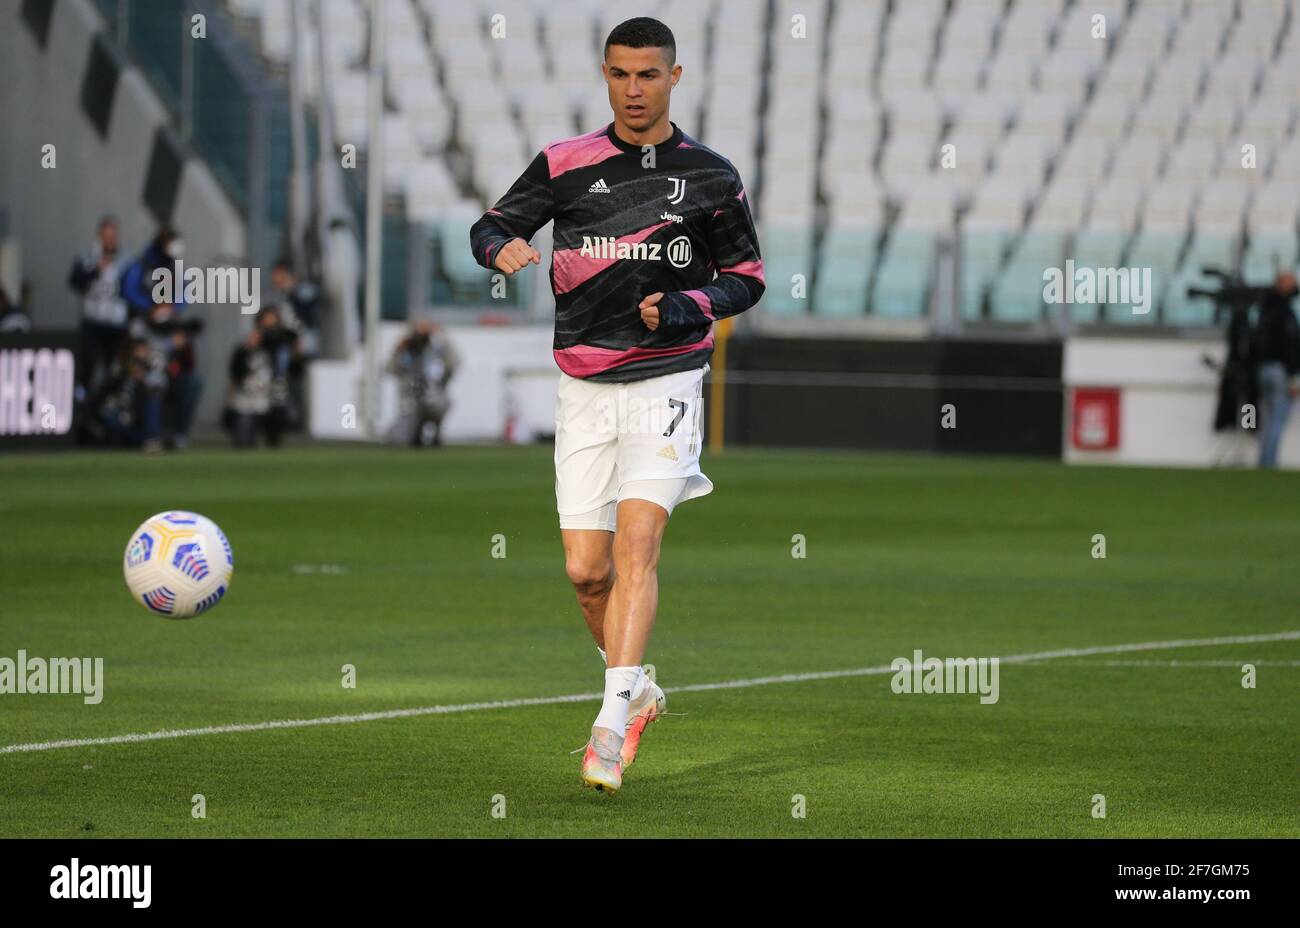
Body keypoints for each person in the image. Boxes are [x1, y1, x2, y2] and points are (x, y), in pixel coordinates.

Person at [469, 17, 765, 793]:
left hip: (668, 381)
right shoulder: (565, 163)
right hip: (585, 389)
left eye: (648, 75)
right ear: (606, 76)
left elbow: (747, 277)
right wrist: (499, 246)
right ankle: (638, 691)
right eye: (620, 74)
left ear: (675, 77)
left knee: (637, 549)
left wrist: (689, 305)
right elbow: (491, 223)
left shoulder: (711, 175)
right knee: (585, 572)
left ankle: (607, 726)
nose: (634, 90)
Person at [121, 227, 202, 449]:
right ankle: (150, 436)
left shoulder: (174, 325)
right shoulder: (139, 325)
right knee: (153, 381)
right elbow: (132, 357)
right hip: (146, 374)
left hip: (169, 371)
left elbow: (187, 362)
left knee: (193, 382)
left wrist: (179, 342)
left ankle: (178, 436)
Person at [68, 216, 129, 404]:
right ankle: (82, 406)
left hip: (116, 325)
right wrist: (96, 270)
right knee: (88, 366)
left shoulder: (126, 260)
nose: (109, 241)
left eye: (112, 236)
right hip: (92, 323)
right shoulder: (87, 257)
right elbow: (75, 282)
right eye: (106, 236)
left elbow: (135, 290)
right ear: (99, 236)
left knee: (115, 370)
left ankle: (107, 408)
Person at [225, 305, 301, 448]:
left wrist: (295, 352)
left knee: (280, 418)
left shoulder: (281, 349)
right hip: (249, 399)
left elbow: (296, 373)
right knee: (243, 441)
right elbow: (236, 372)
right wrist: (248, 348)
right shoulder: (246, 347)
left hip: (274, 398)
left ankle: (273, 437)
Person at [386, 318, 460, 447]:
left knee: (440, 404)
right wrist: (398, 349)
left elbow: (454, 364)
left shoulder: (437, 352)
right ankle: (415, 433)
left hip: (432, 399)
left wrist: (443, 338)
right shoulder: (405, 354)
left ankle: (436, 433)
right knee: (397, 439)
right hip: (411, 404)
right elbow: (390, 369)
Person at [1253, 270, 1300, 468]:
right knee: (1277, 420)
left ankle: (1263, 461)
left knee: (1267, 419)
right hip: (1280, 371)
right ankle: (1269, 463)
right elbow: (1289, 347)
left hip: (1264, 369)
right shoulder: (1284, 313)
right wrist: (1294, 377)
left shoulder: (1265, 310)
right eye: (1291, 282)